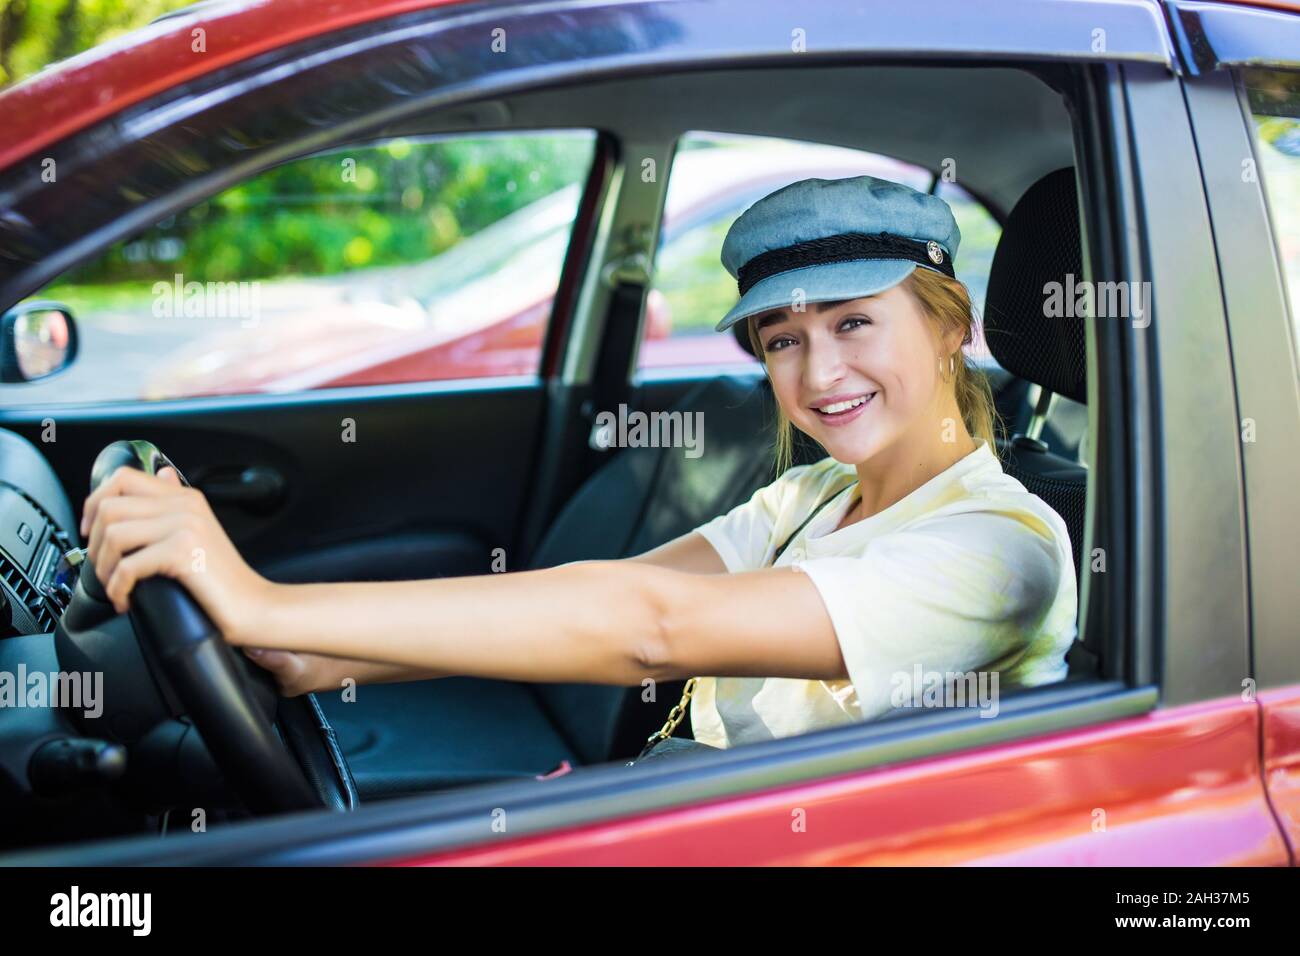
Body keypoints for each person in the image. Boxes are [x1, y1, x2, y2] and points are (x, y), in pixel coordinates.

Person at [79, 175, 1077, 753]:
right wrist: (315, 651)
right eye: (781, 338)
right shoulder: (815, 494)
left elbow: (654, 629)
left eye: (855, 322)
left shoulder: (997, 550)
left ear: (949, 329)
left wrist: (259, 598)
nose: (818, 372)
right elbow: (609, 590)